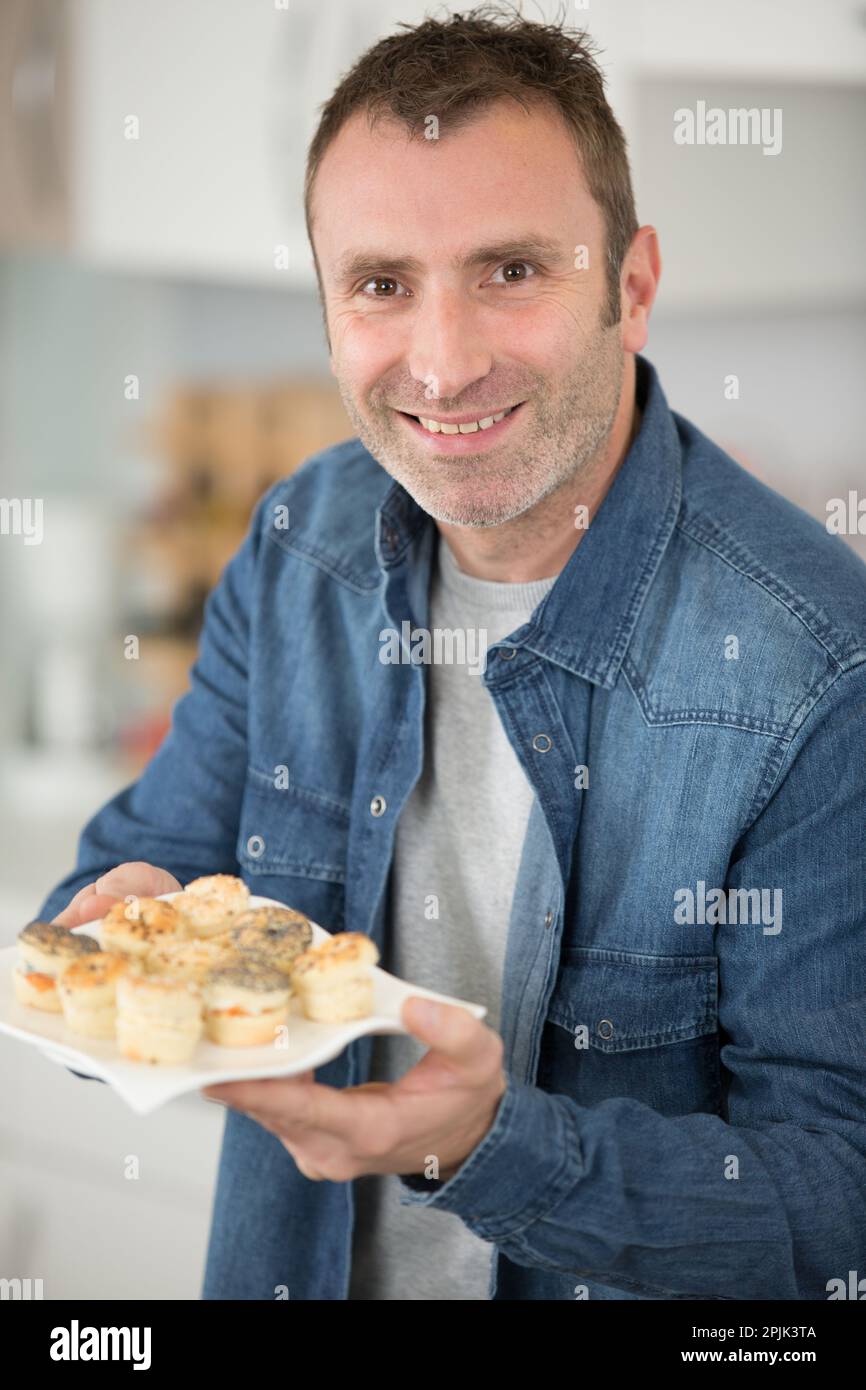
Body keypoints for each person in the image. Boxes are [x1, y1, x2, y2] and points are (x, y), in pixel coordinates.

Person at [38, 7, 866, 1300]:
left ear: (630, 285)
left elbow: (834, 1208)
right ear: (326, 314)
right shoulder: (293, 547)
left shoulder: (814, 664)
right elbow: (116, 896)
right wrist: (105, 943)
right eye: (380, 284)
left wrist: (488, 1146)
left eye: (510, 271)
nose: (443, 360)